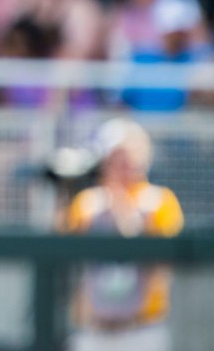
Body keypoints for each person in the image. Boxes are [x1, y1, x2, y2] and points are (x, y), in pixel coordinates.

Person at [65, 119, 184, 351]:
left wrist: (125, 213)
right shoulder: (88, 202)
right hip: (94, 328)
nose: (122, 165)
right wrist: (66, 190)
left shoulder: (159, 201)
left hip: (141, 329)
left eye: (127, 156)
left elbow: (166, 260)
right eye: (114, 158)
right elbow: (65, 249)